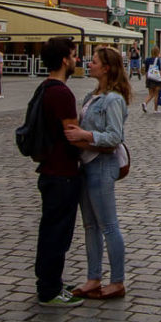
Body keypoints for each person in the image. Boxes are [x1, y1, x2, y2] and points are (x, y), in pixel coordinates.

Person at [64, 47, 130, 300]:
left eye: (93, 61)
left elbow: (115, 136)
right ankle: (93, 278)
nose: (88, 64)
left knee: (109, 225)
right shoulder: (92, 96)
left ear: (106, 68)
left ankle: (117, 281)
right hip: (87, 164)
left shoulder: (113, 99)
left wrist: (85, 135)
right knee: (90, 225)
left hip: (103, 164)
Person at [33, 37, 84, 307]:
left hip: (50, 171)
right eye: (74, 55)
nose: (77, 60)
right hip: (62, 172)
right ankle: (50, 290)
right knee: (58, 234)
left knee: (50, 230)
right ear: (65, 60)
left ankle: (49, 282)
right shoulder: (62, 93)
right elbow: (73, 135)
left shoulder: (44, 88)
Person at [141, 47, 161, 113]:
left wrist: (147, 79)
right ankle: (155, 109)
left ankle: (145, 103)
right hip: (156, 79)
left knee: (151, 94)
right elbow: (160, 71)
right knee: (156, 94)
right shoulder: (157, 60)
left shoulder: (147, 60)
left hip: (150, 78)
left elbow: (146, 71)